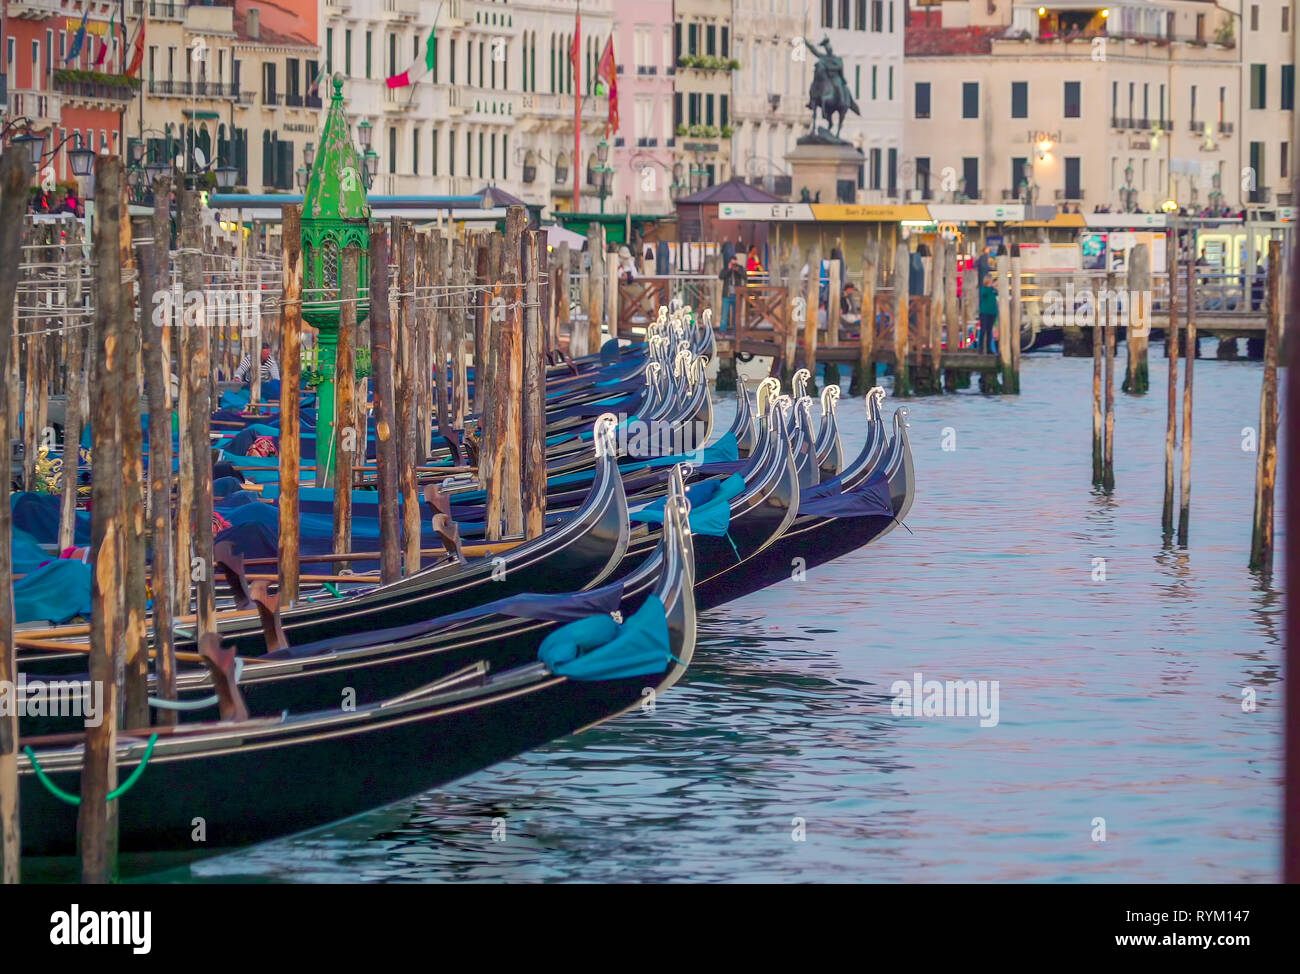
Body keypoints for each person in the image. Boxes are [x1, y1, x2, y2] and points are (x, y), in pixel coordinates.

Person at [718, 253, 747, 332]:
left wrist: (737, 270)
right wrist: (729, 269)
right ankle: (723, 332)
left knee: (736, 315)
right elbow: (721, 276)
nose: (733, 265)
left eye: (735, 263)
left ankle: (736, 332)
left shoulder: (739, 268)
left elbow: (745, 277)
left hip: (737, 295)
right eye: (732, 263)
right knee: (724, 315)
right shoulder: (726, 268)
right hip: (727, 295)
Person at [978, 274, 998, 354]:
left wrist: (995, 288)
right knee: (983, 331)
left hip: (992, 313)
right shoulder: (983, 289)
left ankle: (989, 349)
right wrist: (993, 287)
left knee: (989, 331)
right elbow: (985, 293)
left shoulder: (993, 290)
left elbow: (996, 294)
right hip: (984, 313)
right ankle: (981, 349)